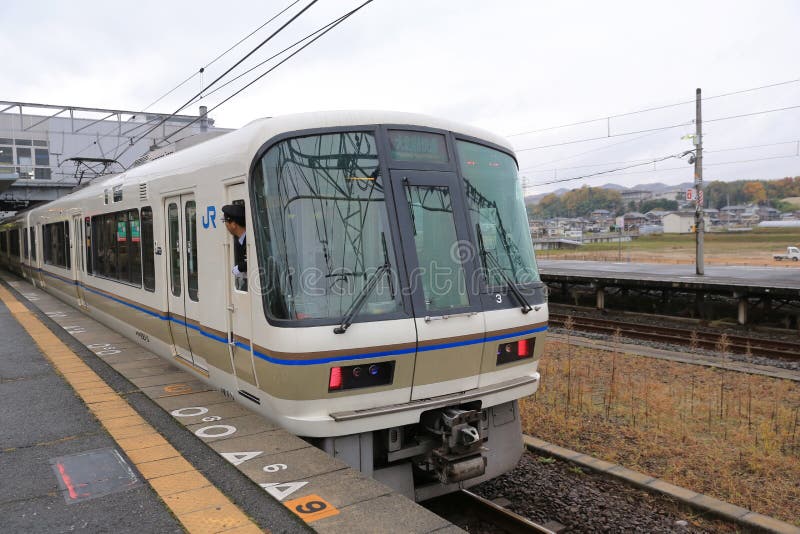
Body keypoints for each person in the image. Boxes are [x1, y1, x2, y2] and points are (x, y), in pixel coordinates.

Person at [222, 204, 247, 287]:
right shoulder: (238, 241)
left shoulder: (248, 241)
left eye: (225, 221)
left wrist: (240, 267)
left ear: (233, 224)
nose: (225, 225)